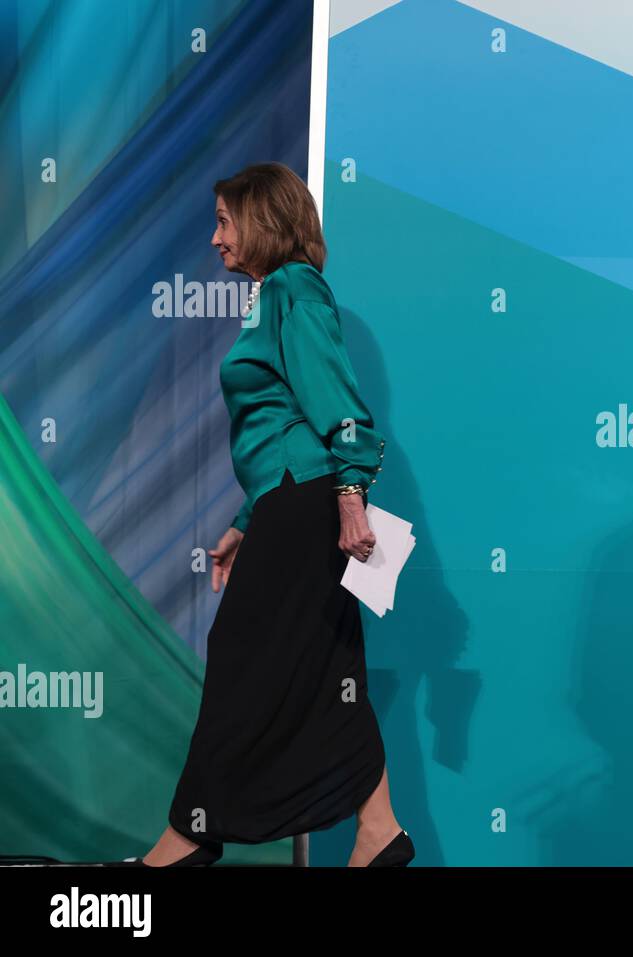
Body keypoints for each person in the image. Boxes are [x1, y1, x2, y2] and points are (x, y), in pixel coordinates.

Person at [131, 162, 412, 867]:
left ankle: (188, 837)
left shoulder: (293, 288)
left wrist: (349, 499)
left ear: (261, 221)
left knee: (241, 663)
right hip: (289, 507)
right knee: (327, 673)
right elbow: (284, 428)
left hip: (311, 509)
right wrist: (245, 521)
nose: (216, 237)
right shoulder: (274, 297)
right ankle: (379, 830)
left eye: (225, 221)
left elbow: (338, 404)